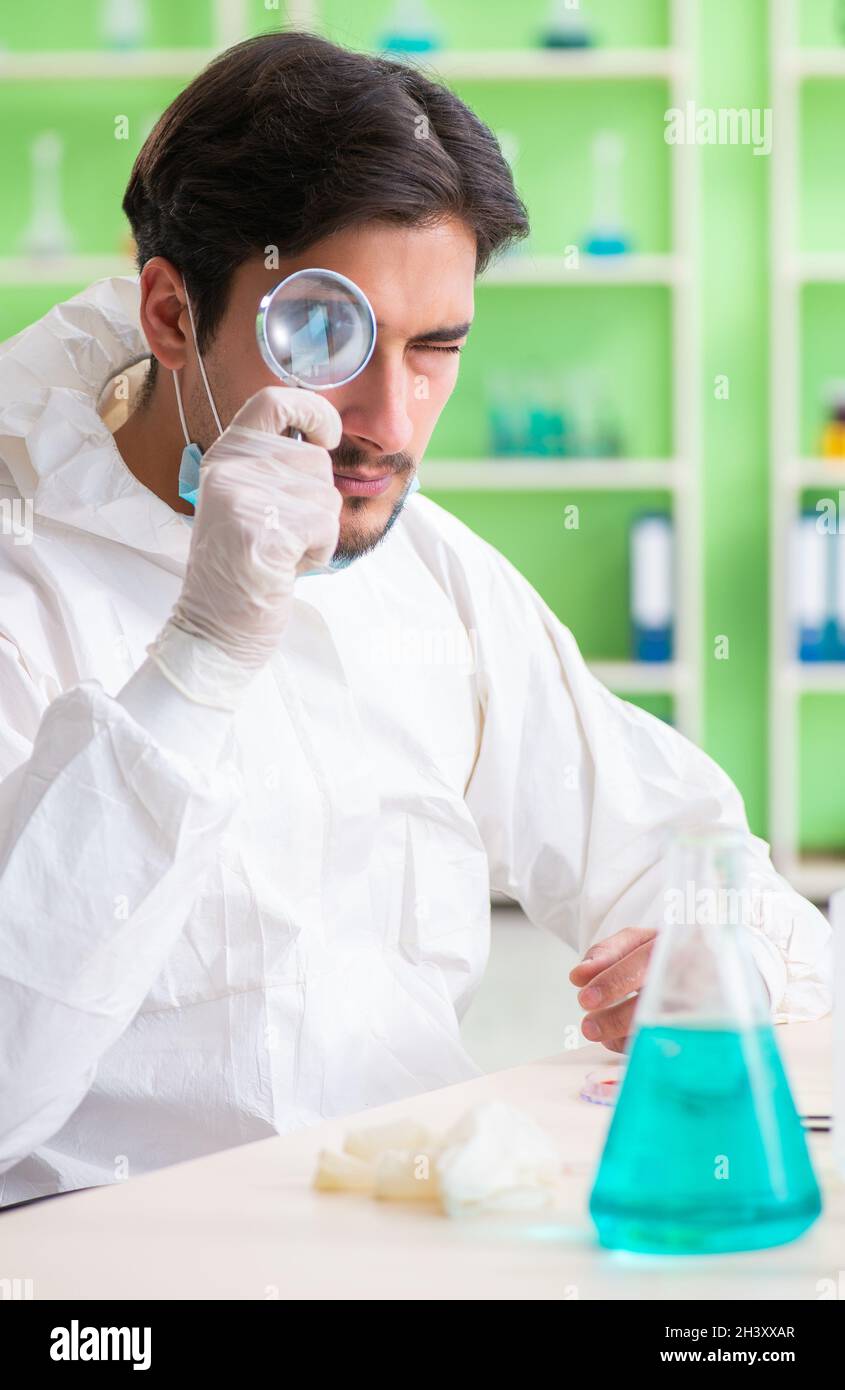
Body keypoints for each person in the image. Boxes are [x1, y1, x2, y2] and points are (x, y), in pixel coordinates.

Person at [0, 31, 830, 1207]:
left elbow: (689, 864)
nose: (389, 421)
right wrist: (196, 663)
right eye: (327, 339)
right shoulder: (24, 575)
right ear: (172, 315)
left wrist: (727, 958)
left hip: (406, 1249)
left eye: (434, 350)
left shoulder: (430, 575)